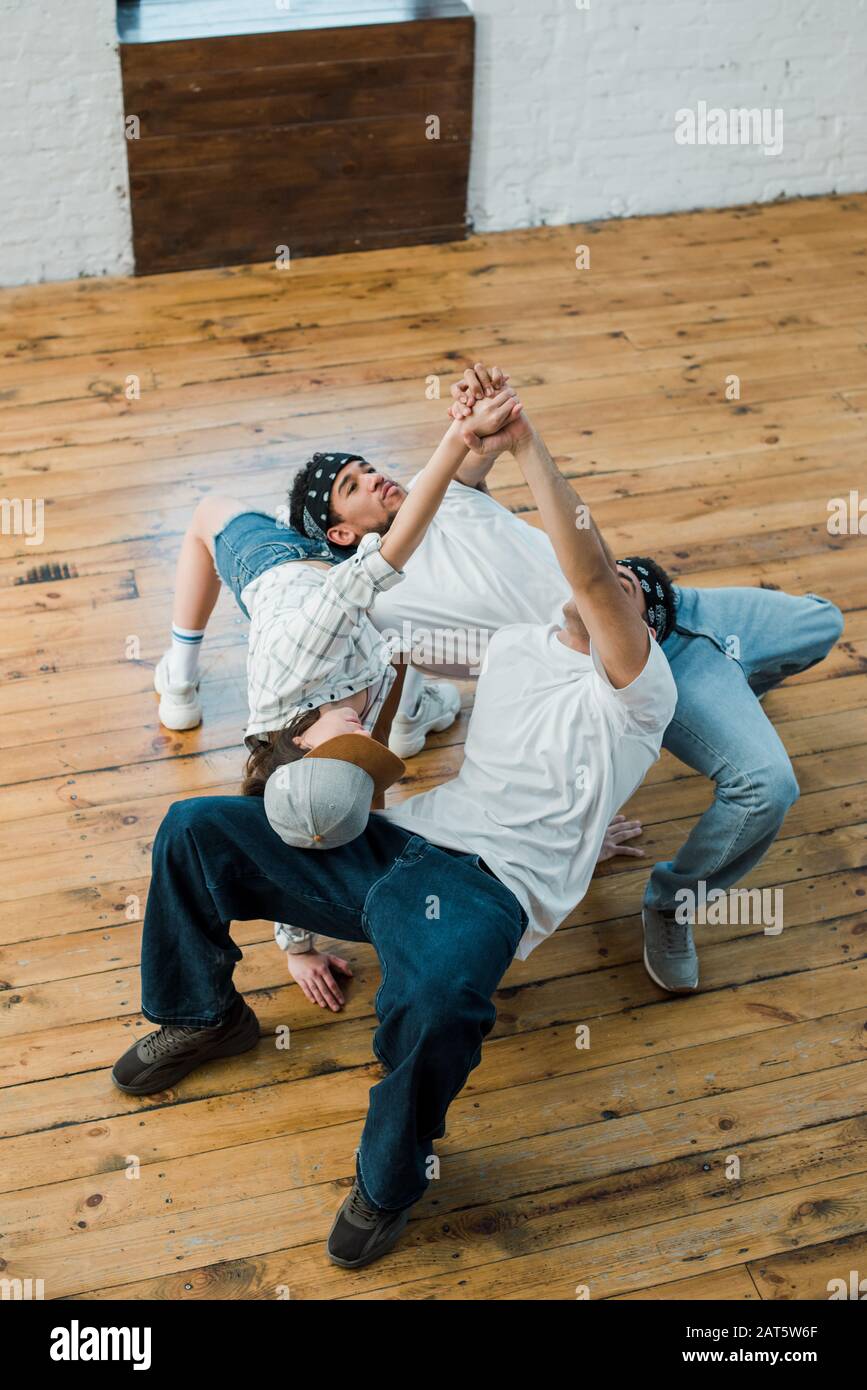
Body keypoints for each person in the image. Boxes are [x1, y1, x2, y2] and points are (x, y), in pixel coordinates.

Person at [113, 392, 677, 1271]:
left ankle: (387, 1183)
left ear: (647, 632)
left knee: (436, 1004)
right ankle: (204, 1017)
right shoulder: (521, 645)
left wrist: (527, 443)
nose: (604, 584)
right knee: (195, 829)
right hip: (403, 843)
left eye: (627, 591)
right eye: (612, 578)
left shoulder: (640, 691)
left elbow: (593, 578)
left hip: (487, 891)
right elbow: (412, 617)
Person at [284, 363, 844, 995]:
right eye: (352, 485)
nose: (372, 477)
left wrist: (482, 402)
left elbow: (483, 440)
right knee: (768, 786)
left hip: (665, 600)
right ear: (341, 532)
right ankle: (673, 904)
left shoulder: (441, 491)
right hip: (627, 667)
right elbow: (321, 761)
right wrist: (295, 941)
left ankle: (734, 699)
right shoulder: (370, 598)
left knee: (823, 624)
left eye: (366, 466)